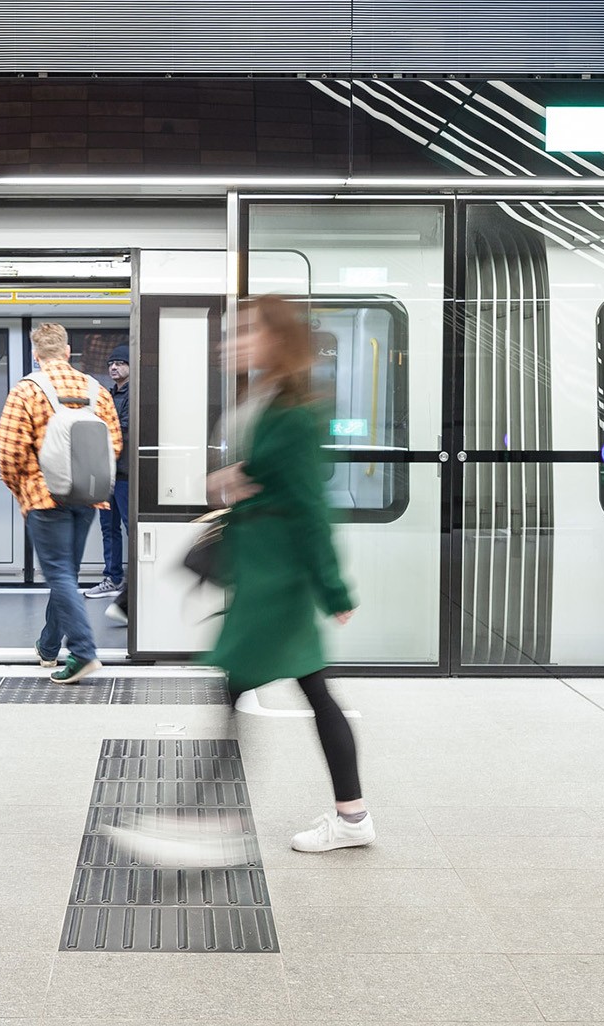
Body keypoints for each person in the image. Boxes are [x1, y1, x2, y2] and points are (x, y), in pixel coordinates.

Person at [209, 295, 372, 852]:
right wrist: (237, 476)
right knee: (291, 686)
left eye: (245, 333)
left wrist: (333, 589)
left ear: (276, 341)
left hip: (278, 579)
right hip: (266, 572)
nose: (232, 343)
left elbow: (309, 507)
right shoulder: (271, 400)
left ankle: (218, 817)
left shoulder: (292, 413)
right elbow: (273, 478)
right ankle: (350, 817)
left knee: (248, 683)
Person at [0, 322, 122, 684]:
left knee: (60, 575)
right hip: (86, 497)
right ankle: (49, 647)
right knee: (65, 574)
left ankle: (83, 652)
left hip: (44, 498)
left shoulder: (26, 390)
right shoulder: (97, 391)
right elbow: (113, 444)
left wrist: (24, 491)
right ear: (68, 352)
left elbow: (9, 454)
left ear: (37, 356)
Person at [87, 342, 131, 622]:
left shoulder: (132, 395)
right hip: (106, 472)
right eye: (110, 364)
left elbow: (123, 429)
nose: (113, 367)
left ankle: (134, 581)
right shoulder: (107, 395)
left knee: (129, 527)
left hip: (125, 472)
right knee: (108, 528)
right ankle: (112, 578)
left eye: (119, 363)